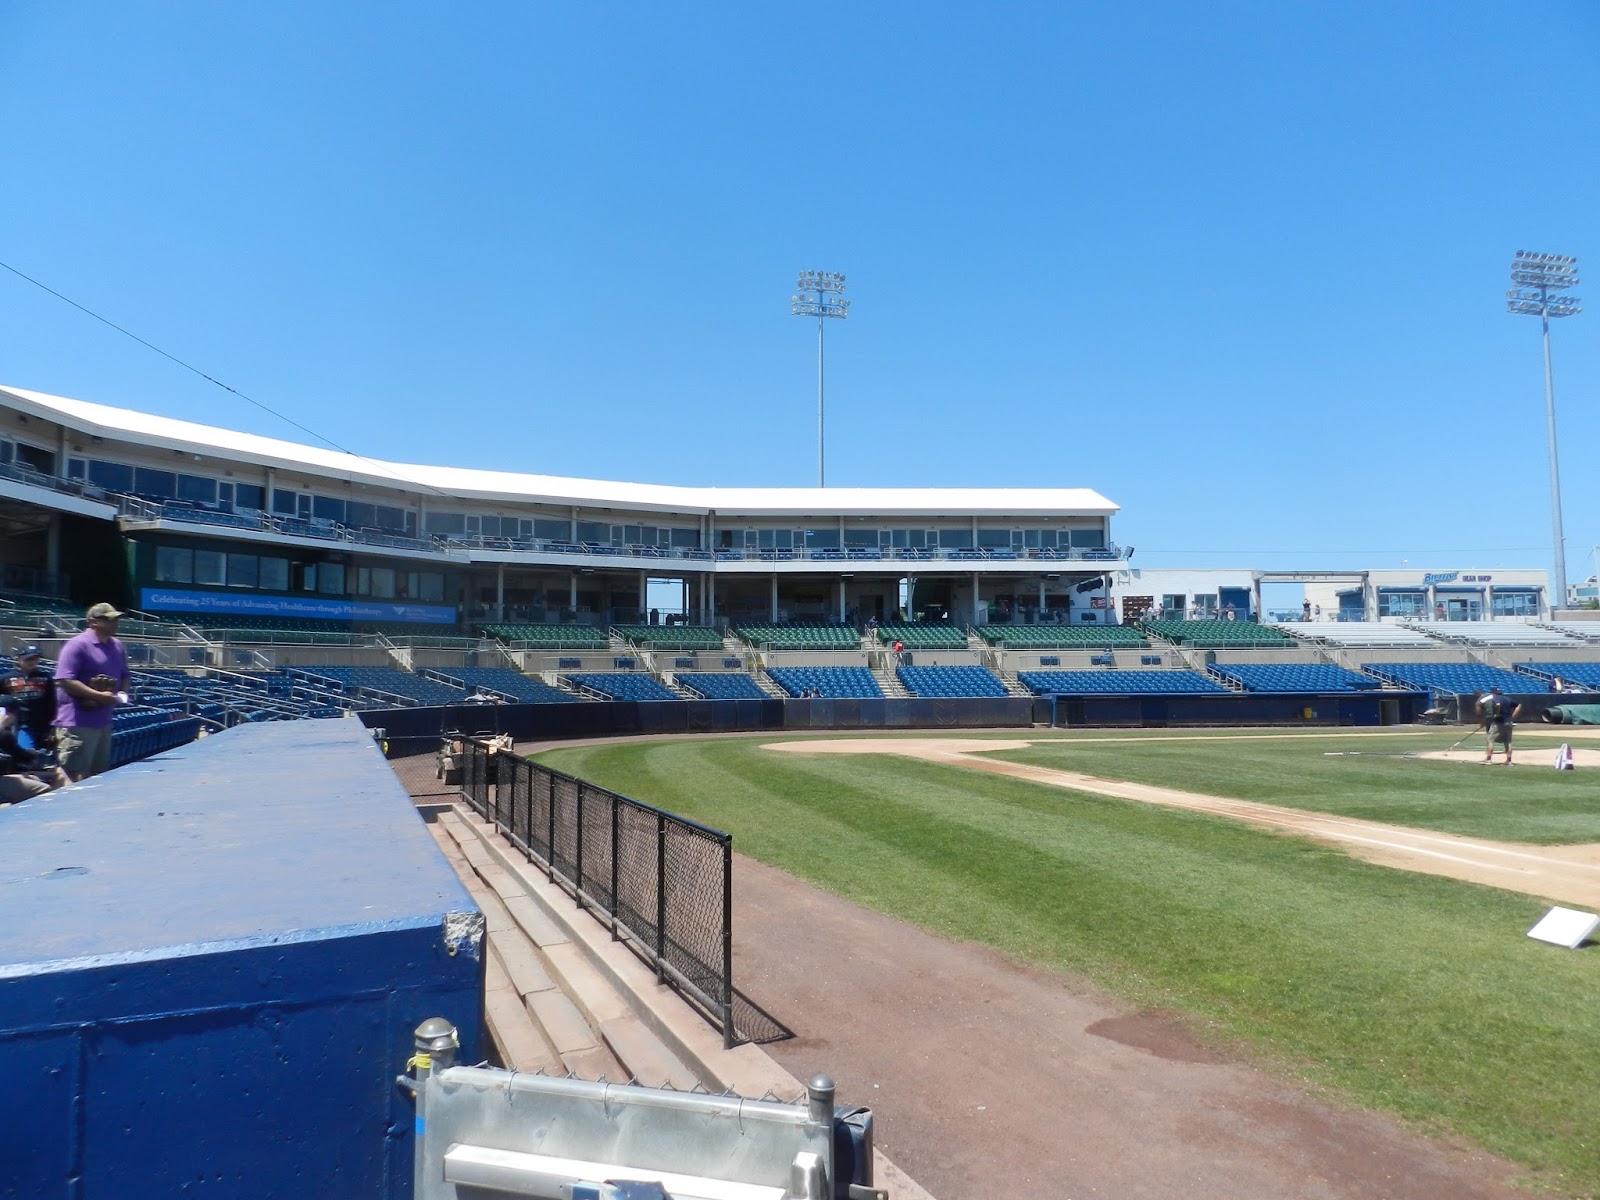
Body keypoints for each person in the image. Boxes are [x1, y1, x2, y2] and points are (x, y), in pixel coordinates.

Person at [52, 602, 132, 781]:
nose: (115, 623)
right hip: (78, 722)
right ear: (93, 622)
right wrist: (97, 696)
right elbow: (64, 679)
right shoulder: (77, 645)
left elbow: (125, 675)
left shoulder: (117, 645)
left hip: (103, 720)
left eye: (116, 619)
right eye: (109, 619)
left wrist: (120, 695)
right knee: (75, 777)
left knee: (99, 777)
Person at [0, 710, 69, 803]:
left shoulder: (4, 735)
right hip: (3, 781)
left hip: (9, 775)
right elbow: (24, 757)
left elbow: (21, 757)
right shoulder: (3, 734)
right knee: (45, 789)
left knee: (58, 775)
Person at [0, 645, 57, 752]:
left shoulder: (45, 678)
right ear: (18, 659)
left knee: (45, 758)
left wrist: (52, 725)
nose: (32, 662)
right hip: (21, 724)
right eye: (28, 659)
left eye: (35, 658)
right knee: (26, 753)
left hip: (42, 723)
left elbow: (52, 702)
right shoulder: (6, 678)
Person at [1475, 685, 1523, 766]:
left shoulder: (1495, 698)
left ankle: (1489, 759)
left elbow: (1497, 705)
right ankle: (1509, 760)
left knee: (1490, 740)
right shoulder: (1507, 699)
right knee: (1508, 742)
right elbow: (1519, 705)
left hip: (1499, 721)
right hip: (1509, 721)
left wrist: (1496, 714)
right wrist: (1513, 716)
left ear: (1493, 693)